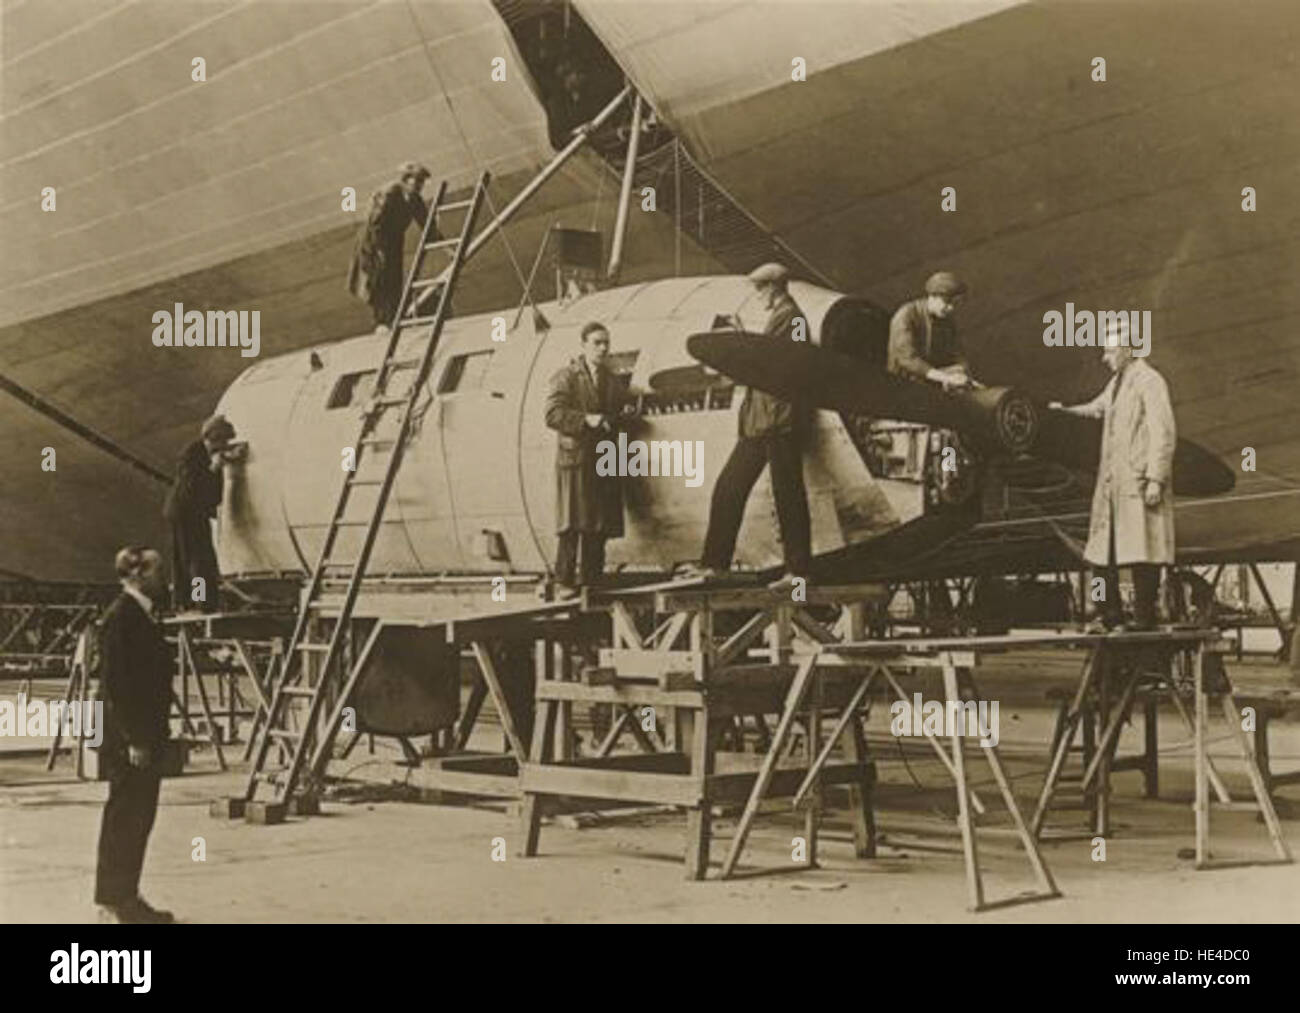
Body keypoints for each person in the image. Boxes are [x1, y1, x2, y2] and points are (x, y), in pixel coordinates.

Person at [687, 263, 812, 588]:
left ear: (774, 287)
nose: (758, 297)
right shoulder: (782, 319)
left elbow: (795, 361)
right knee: (731, 486)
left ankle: (798, 572)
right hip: (761, 421)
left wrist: (742, 350)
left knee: (787, 495)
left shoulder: (793, 319)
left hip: (778, 420)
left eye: (760, 290)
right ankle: (715, 563)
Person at [1049, 319, 1176, 630]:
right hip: (1113, 485)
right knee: (1100, 557)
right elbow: (1096, 408)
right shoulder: (1118, 382)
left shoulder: (1150, 381)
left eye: (1109, 351)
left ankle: (1144, 619)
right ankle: (1108, 614)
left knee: (1142, 557)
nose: (1104, 358)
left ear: (1128, 350)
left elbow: (1165, 432)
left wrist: (1156, 479)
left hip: (1138, 480)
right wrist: (1063, 411)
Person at [94, 546, 176, 924]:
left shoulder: (138, 615)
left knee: (137, 817)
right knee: (127, 817)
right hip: (131, 742)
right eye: (159, 572)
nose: (166, 578)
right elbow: (118, 687)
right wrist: (135, 740)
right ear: (139, 574)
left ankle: (126, 896)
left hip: (142, 737)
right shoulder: (123, 618)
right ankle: (115, 902)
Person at [544, 321, 627, 595]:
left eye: (606, 343)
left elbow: (617, 413)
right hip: (576, 458)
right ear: (583, 345)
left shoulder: (613, 380)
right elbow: (552, 415)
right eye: (597, 343)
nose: (603, 348)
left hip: (605, 457)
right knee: (572, 524)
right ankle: (563, 581)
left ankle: (591, 582)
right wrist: (585, 420)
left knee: (598, 524)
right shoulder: (566, 376)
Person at [163, 414, 235, 613]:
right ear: (211, 438)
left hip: (193, 513)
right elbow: (191, 488)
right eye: (221, 441)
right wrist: (213, 468)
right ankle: (199, 601)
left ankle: (189, 601)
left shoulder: (202, 454)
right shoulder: (192, 454)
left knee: (191, 560)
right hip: (186, 514)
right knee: (197, 561)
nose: (223, 446)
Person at [347, 162, 433, 329]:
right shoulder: (390, 193)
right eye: (417, 181)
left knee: (395, 280)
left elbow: (427, 225)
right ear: (406, 180)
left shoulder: (414, 199)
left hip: (393, 242)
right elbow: (375, 224)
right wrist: (378, 250)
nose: (420, 186)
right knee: (379, 281)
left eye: (422, 182)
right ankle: (381, 322)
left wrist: (446, 246)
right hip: (372, 241)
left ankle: (392, 318)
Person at [888, 271, 975, 391]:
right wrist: (946, 377)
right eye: (947, 302)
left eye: (955, 304)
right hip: (903, 384)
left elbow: (956, 350)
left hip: (933, 380)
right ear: (932, 296)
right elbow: (907, 359)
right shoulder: (906, 315)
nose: (951, 308)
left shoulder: (946, 318)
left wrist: (964, 370)